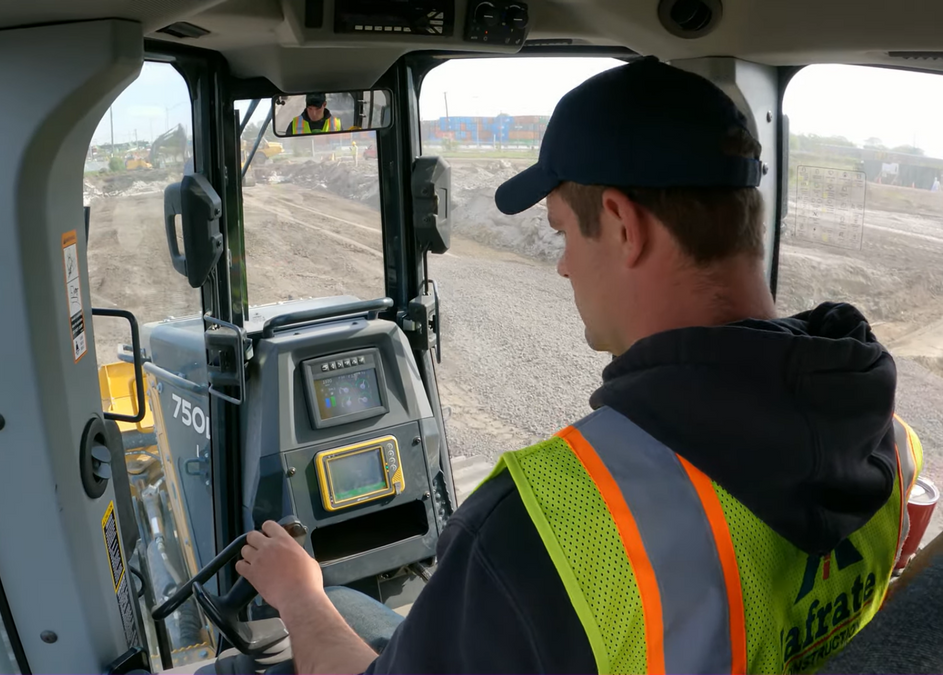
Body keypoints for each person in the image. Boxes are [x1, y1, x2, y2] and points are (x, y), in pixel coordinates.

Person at [237, 56, 925, 674]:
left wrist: (298, 592)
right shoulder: (888, 442)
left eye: (563, 230)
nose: (562, 262)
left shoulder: (537, 536)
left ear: (624, 225)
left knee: (340, 611)